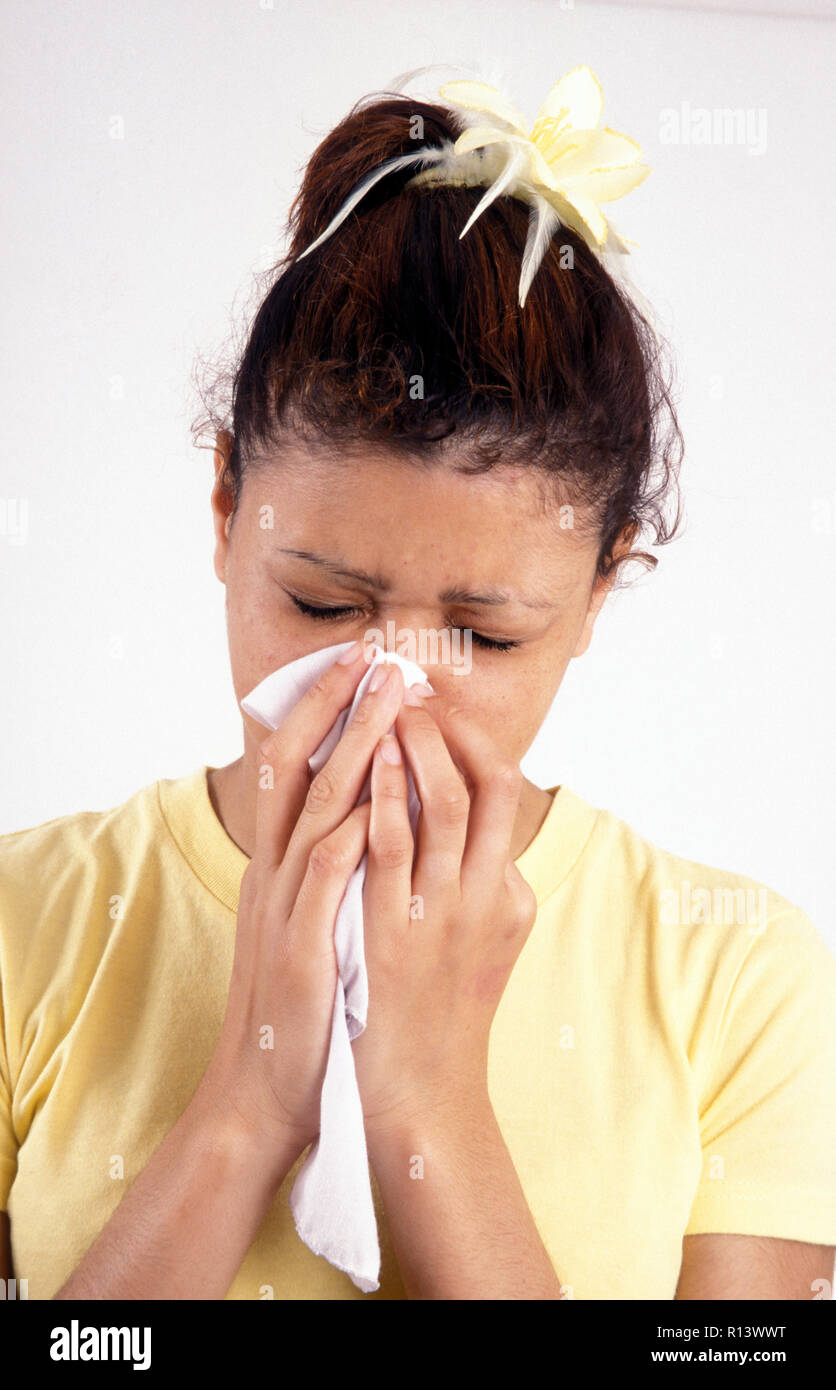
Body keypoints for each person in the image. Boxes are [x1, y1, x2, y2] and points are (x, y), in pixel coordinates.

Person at [1, 69, 834, 1302]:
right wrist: (241, 1106)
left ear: (600, 589)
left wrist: (424, 1110)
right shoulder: (28, 925)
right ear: (228, 509)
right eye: (324, 607)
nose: (385, 689)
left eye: (484, 636)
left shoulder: (737, 977)